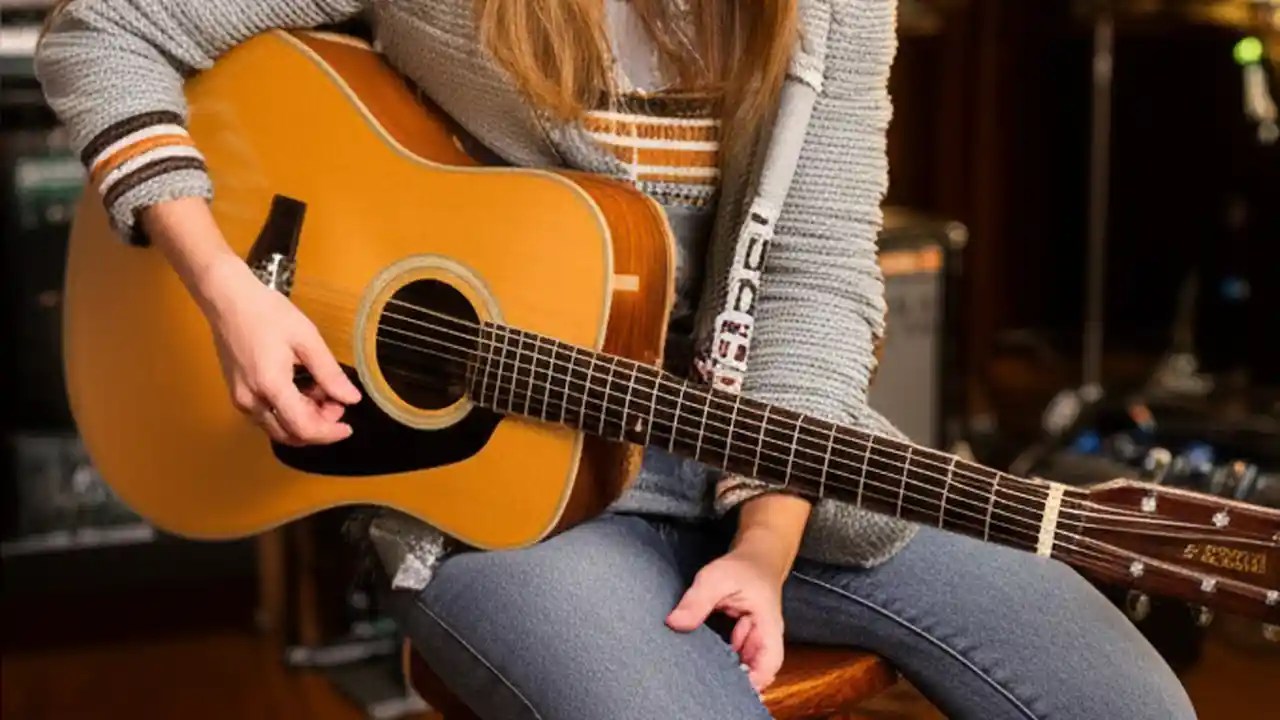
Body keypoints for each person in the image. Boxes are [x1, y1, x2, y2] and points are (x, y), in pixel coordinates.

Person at [35, 2, 1197, 718]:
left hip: (768, 449)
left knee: (1126, 704)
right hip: (501, 497)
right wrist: (227, 285)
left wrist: (764, 541)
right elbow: (106, 31)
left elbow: (814, 277)